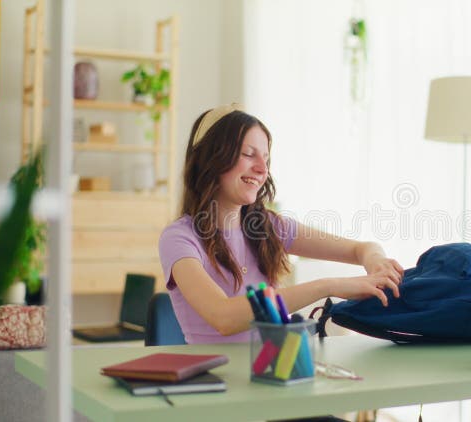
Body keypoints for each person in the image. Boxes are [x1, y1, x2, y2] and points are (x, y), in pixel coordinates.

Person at [159, 103, 404, 344]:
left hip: (272, 373)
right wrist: (330, 286)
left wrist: (376, 261)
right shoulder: (180, 238)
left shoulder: (268, 227)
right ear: (211, 159)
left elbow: (362, 248)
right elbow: (224, 316)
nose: (262, 169)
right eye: (248, 154)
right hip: (218, 380)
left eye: (266, 158)